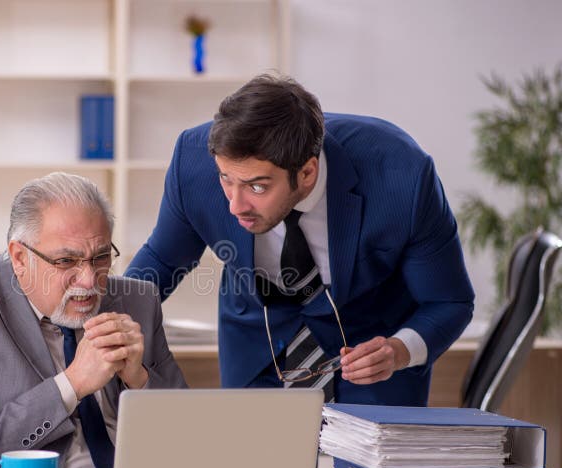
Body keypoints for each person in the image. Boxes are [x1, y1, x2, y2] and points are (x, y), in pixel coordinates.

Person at [126, 72, 474, 406]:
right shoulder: (192, 162)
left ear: (307, 172)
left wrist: (398, 350)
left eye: (257, 186)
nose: (234, 205)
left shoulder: (402, 177)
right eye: (226, 180)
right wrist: (106, 321)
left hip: (371, 362)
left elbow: (449, 302)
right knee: (251, 466)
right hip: (255, 351)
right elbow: (162, 261)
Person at [0, 172, 187, 468]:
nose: (89, 281)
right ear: (19, 257)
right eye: (67, 261)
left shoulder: (138, 301)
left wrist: (141, 380)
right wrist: (72, 384)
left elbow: (189, 443)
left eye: (101, 257)